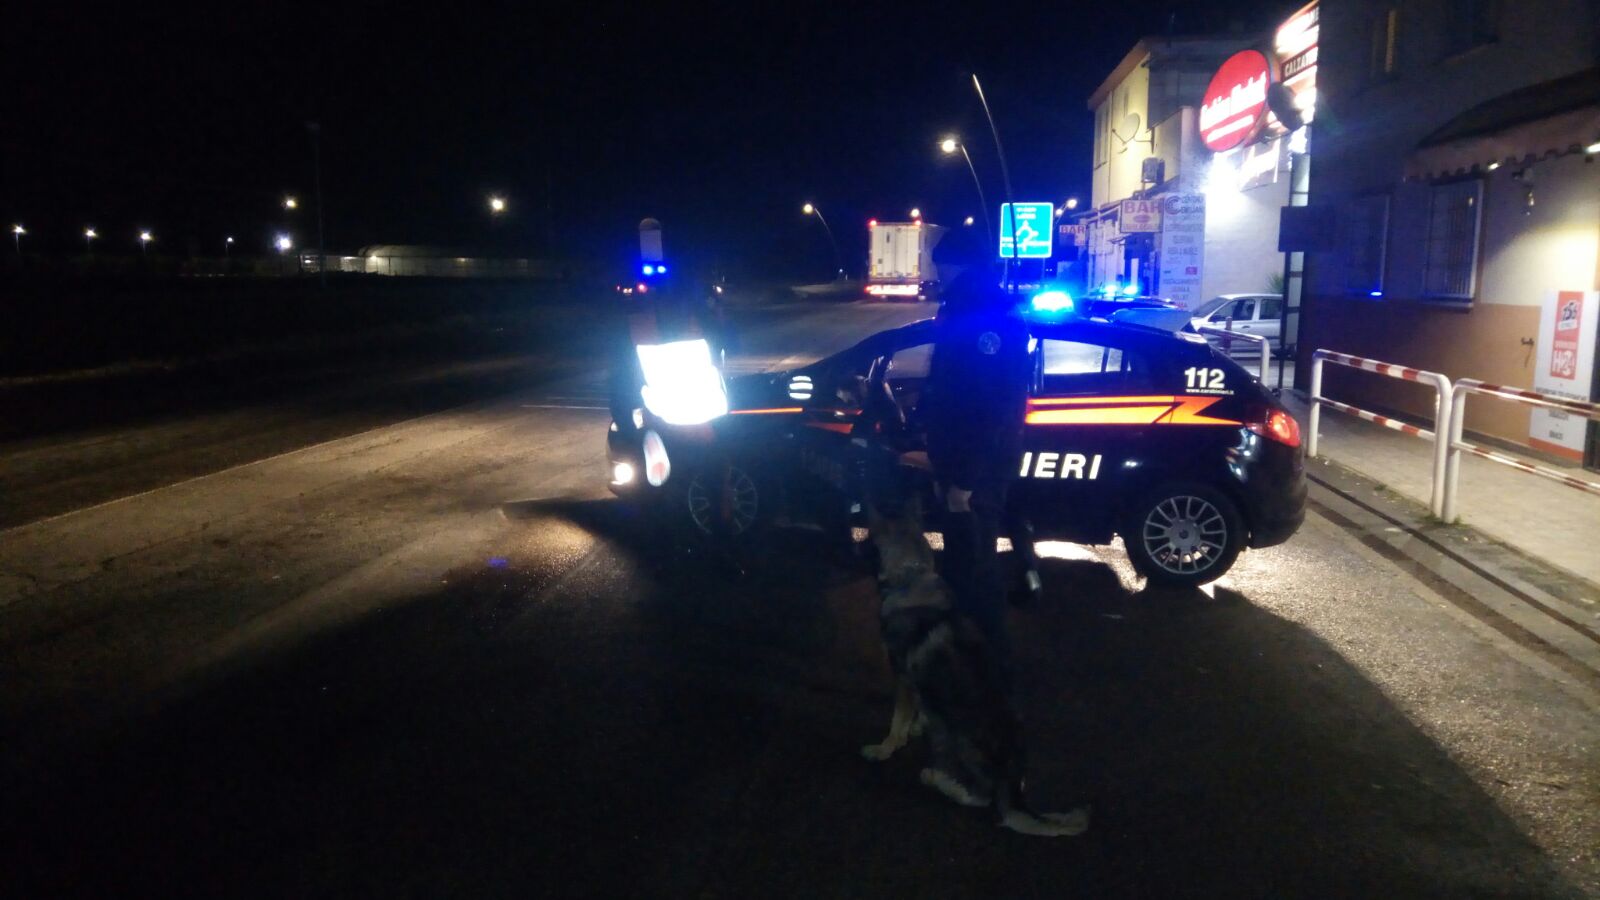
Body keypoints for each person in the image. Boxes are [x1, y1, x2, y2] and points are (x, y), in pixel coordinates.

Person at [921, 265, 1032, 685]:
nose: (939, 272)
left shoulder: (986, 322)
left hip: (977, 471)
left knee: (978, 569)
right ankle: (964, 664)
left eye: (943, 264)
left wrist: (964, 483)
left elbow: (990, 411)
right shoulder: (967, 311)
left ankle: (996, 673)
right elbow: (945, 389)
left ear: (960, 264)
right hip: (963, 465)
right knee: (960, 568)